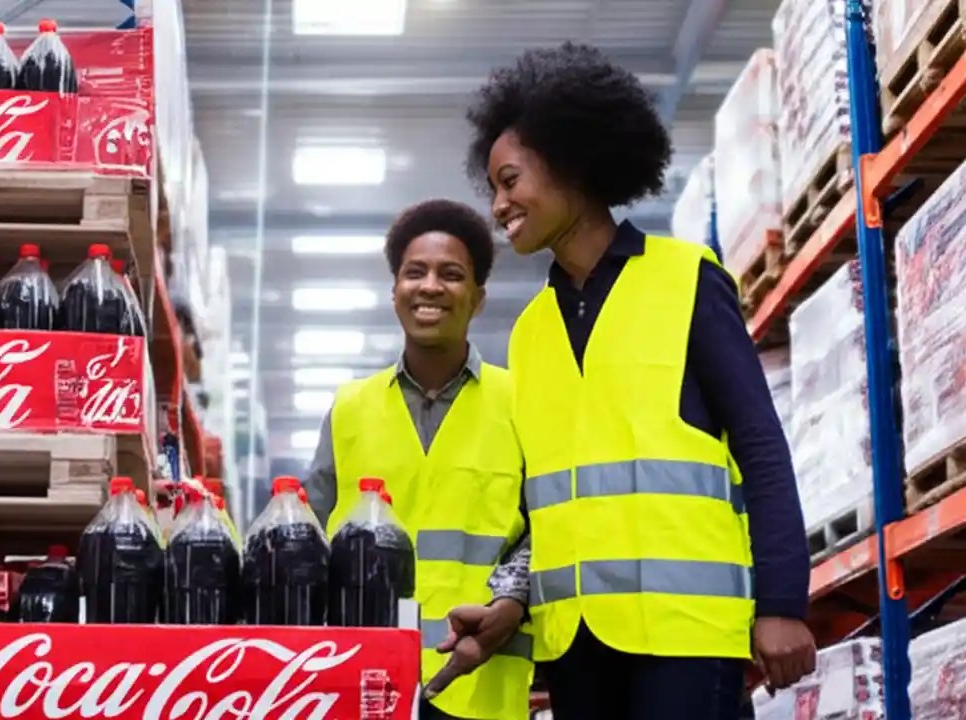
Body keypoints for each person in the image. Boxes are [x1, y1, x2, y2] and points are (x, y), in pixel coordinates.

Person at [423, 44, 817, 720]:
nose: (498, 205)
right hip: (575, 649)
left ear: (572, 159)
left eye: (511, 179)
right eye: (492, 188)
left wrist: (782, 603)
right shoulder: (531, 330)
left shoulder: (687, 279)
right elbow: (549, 506)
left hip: (685, 640)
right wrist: (508, 605)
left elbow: (760, 447)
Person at [304, 199, 533, 720]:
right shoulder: (349, 408)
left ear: (477, 299)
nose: (431, 286)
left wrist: (511, 602)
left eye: (451, 275)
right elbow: (307, 539)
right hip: (360, 680)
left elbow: (549, 528)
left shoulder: (521, 402)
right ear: (394, 293)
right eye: (415, 273)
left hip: (481, 680)